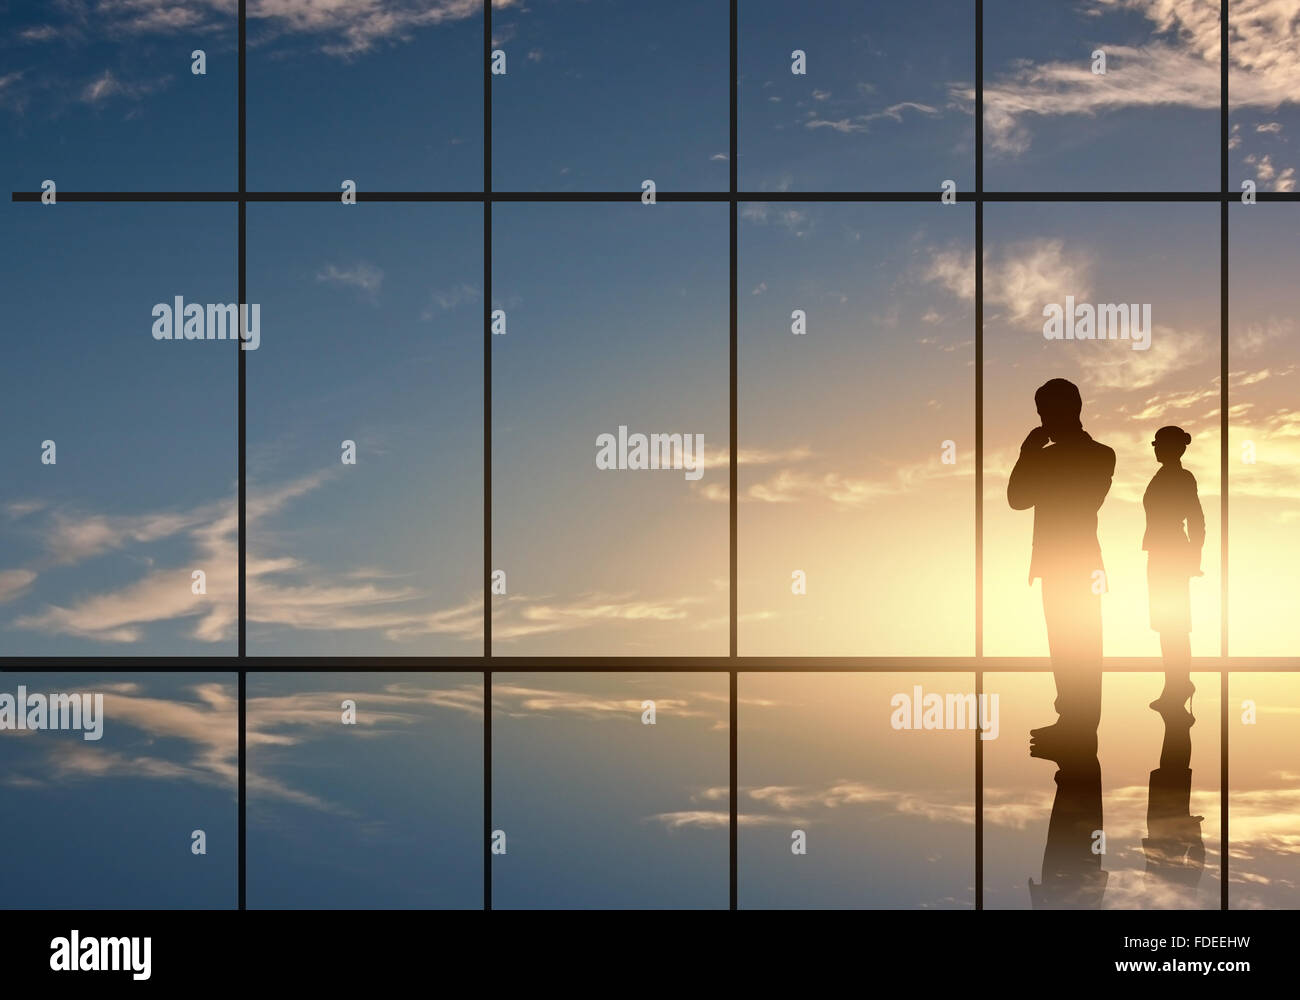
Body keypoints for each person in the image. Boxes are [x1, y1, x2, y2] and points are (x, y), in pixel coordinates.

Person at [1008, 378, 1116, 753]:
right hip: (1074, 562)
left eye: (1045, 411)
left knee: (1077, 644)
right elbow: (1019, 500)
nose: (1042, 419)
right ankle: (1073, 721)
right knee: (1071, 644)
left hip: (1070, 561)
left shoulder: (1091, 455)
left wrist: (1028, 453)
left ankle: (1079, 725)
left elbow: (1017, 498)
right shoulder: (1100, 454)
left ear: (1065, 410)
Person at [1142, 425, 1205, 715]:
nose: (1154, 448)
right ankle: (1176, 684)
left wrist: (1194, 559)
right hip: (1161, 554)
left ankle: (1178, 685)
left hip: (1171, 555)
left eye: (1158, 444)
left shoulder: (1181, 478)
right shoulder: (1167, 476)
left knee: (1174, 625)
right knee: (1167, 624)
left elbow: (1196, 519)